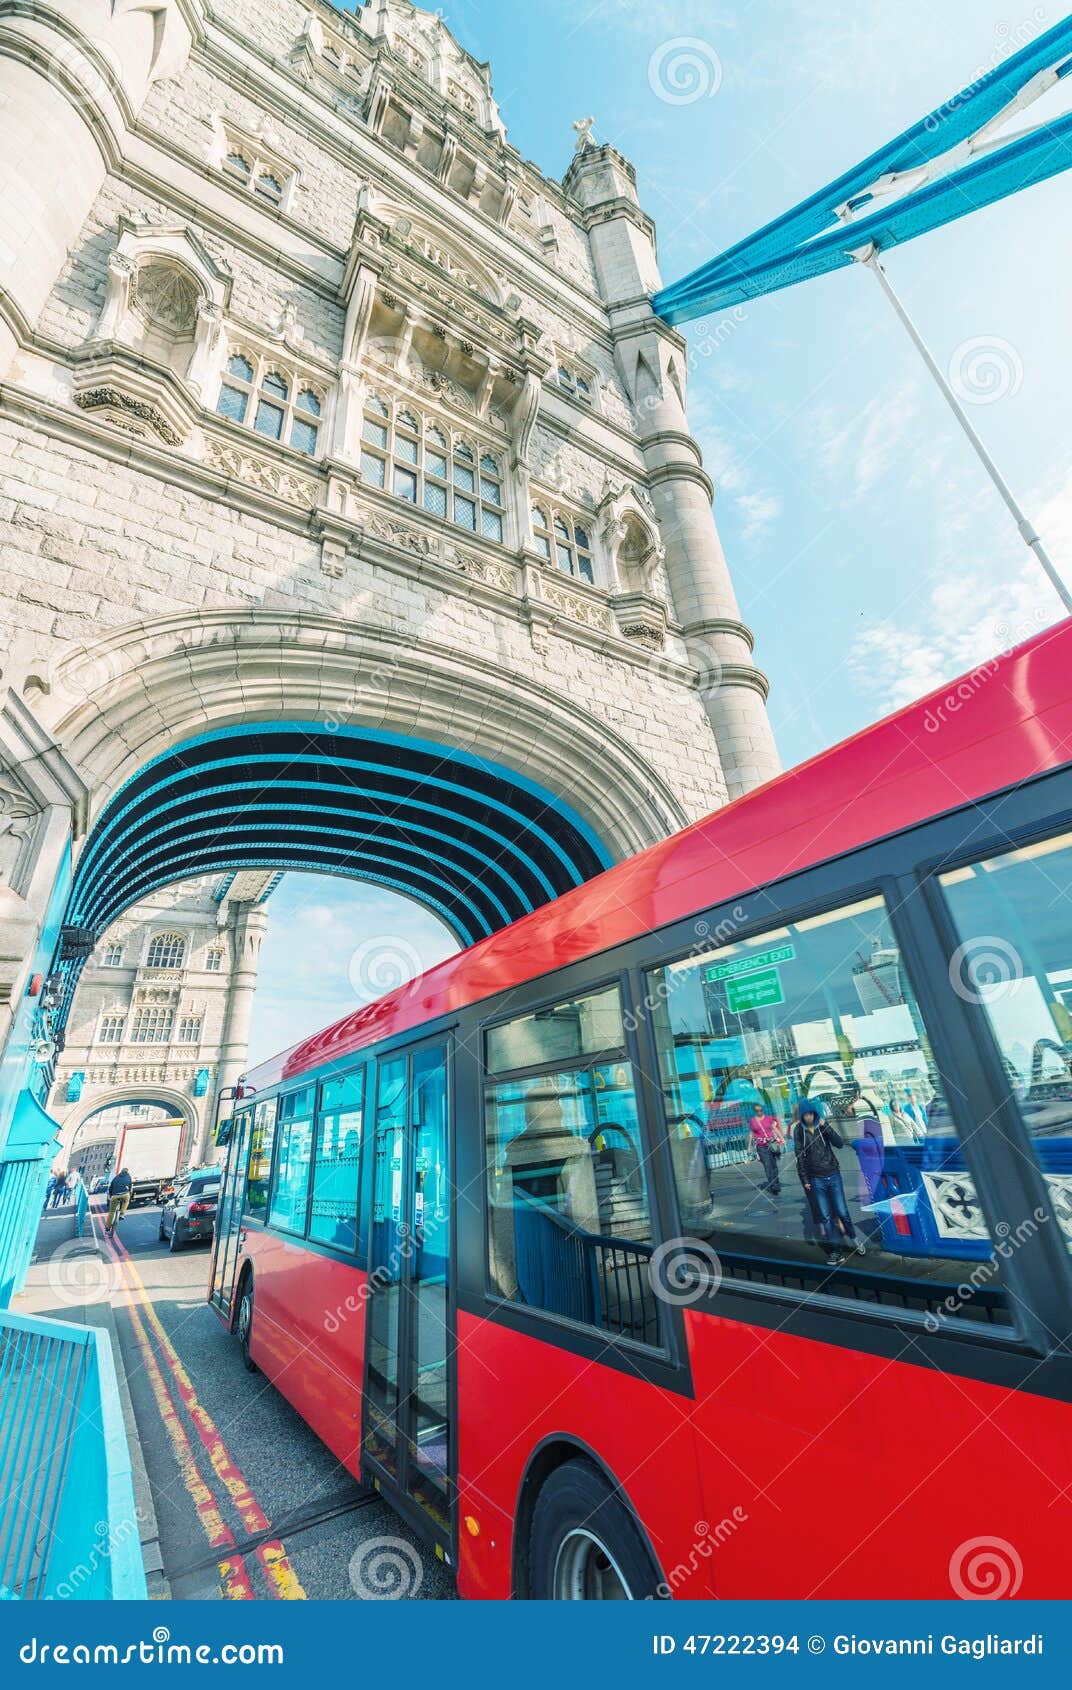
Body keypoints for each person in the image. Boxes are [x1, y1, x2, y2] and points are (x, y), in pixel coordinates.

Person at [792, 1104, 866, 1266]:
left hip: (832, 1173)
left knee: (842, 1211)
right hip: (815, 1178)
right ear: (802, 1115)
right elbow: (799, 1157)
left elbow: (839, 1143)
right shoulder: (799, 1130)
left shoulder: (822, 1125)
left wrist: (827, 1127)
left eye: (812, 1114)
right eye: (806, 1114)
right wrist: (804, 1180)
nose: (809, 1117)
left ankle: (854, 1238)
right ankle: (836, 1251)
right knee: (825, 1217)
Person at [748, 1100, 784, 1196]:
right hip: (761, 1146)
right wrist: (749, 1147)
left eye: (761, 1110)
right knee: (767, 1165)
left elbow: (775, 1129)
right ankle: (773, 1185)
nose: (759, 1112)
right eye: (757, 1110)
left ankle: (776, 1182)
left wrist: (782, 1139)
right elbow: (751, 1134)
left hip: (772, 1144)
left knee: (773, 1165)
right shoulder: (752, 1121)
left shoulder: (768, 1118)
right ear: (755, 1111)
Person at [106, 1167, 134, 1235]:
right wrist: (129, 1193)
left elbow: (110, 1187)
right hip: (125, 1194)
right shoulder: (129, 1177)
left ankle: (107, 1227)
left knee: (112, 1212)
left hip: (114, 1196)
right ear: (127, 1172)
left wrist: (110, 1196)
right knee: (126, 1201)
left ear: (121, 1172)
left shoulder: (116, 1177)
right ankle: (122, 1213)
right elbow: (130, 1187)